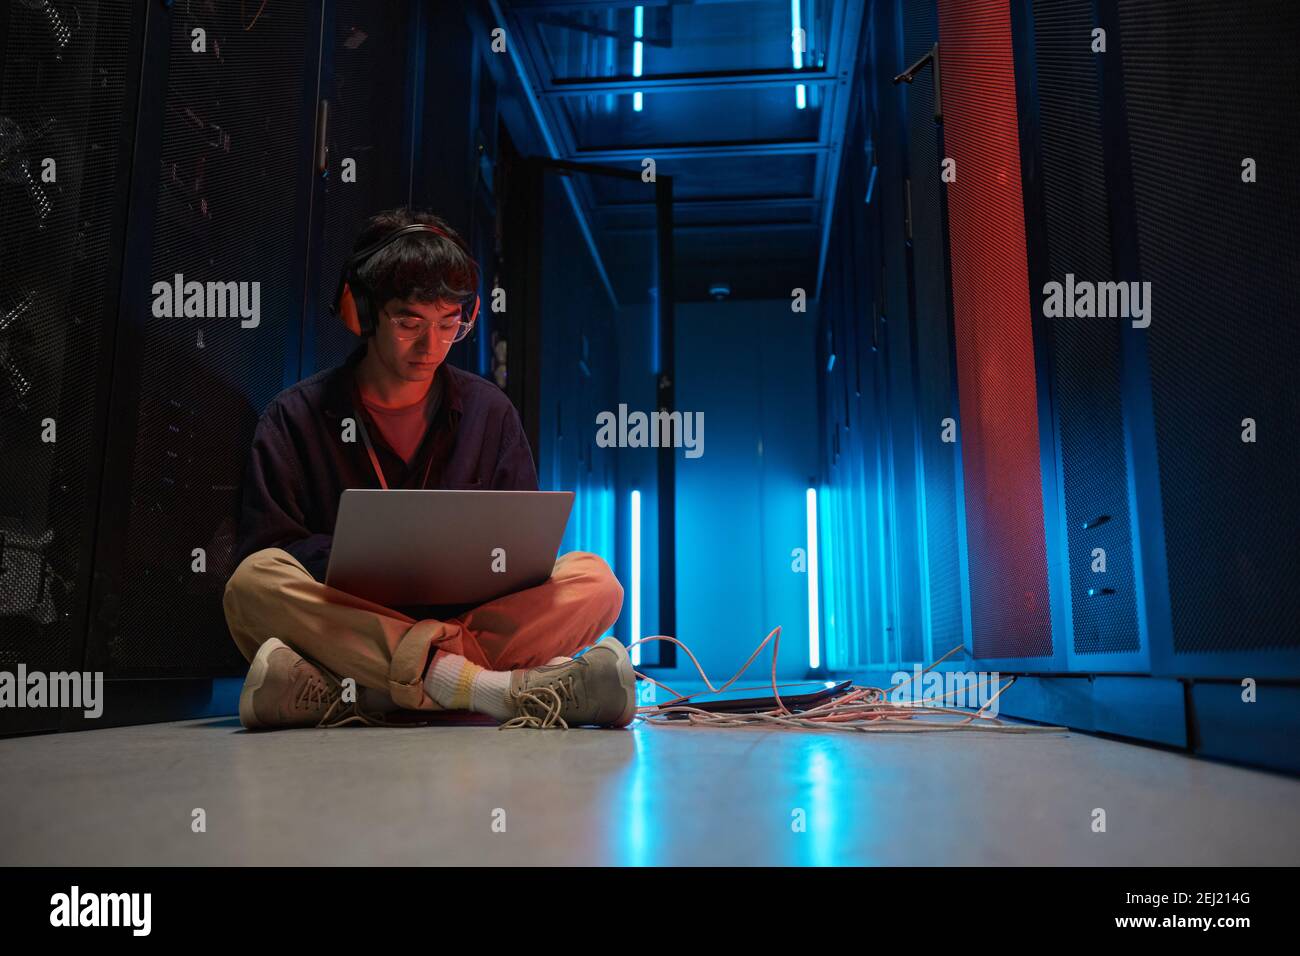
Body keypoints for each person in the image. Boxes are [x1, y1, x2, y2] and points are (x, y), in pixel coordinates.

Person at [222, 208, 637, 731]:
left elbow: (527, 557)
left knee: (596, 581)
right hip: (352, 612)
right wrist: (361, 560)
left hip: (438, 622)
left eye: (449, 324)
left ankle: (360, 693)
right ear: (363, 312)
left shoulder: (490, 412)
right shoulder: (295, 415)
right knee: (252, 583)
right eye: (409, 323)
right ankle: (495, 689)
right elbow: (269, 547)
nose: (431, 347)